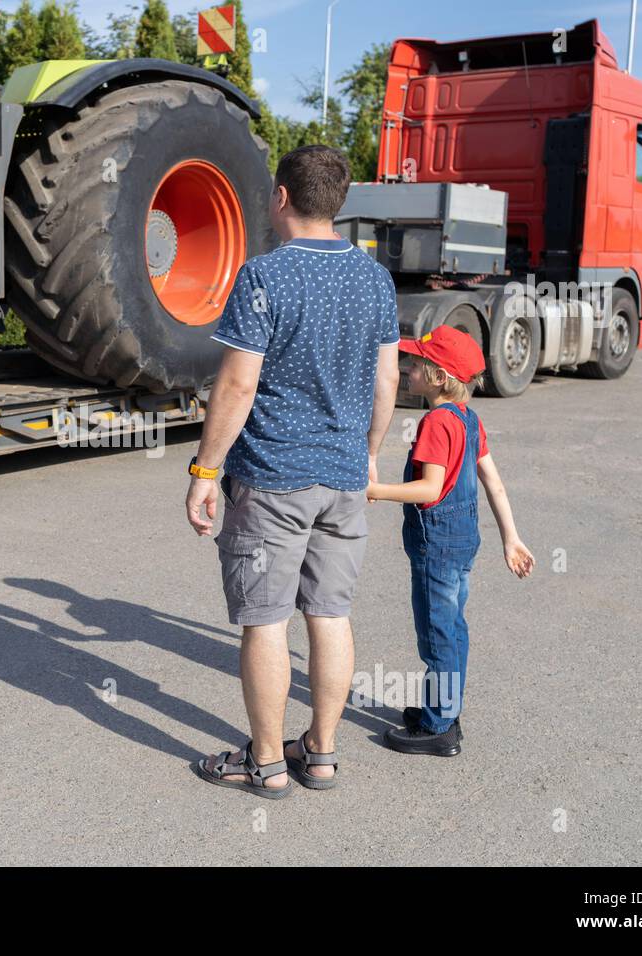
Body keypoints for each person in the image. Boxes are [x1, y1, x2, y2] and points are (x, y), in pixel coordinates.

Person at [185, 145, 400, 798]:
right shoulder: (376, 279)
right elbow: (387, 376)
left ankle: (267, 765)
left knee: (267, 621)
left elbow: (237, 386)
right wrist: (368, 450)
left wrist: (204, 469)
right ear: (338, 203)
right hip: (342, 477)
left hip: (273, 477)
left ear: (281, 198)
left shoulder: (262, 278)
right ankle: (323, 754)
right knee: (330, 615)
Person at [365, 326, 535, 756]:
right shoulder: (470, 420)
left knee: (436, 634)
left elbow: (429, 489)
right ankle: (443, 708)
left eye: (416, 364)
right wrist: (510, 538)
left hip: (436, 545)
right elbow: (493, 483)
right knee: (454, 628)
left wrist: (375, 490)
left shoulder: (435, 423)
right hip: (463, 542)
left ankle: (439, 728)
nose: (406, 368)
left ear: (439, 377)